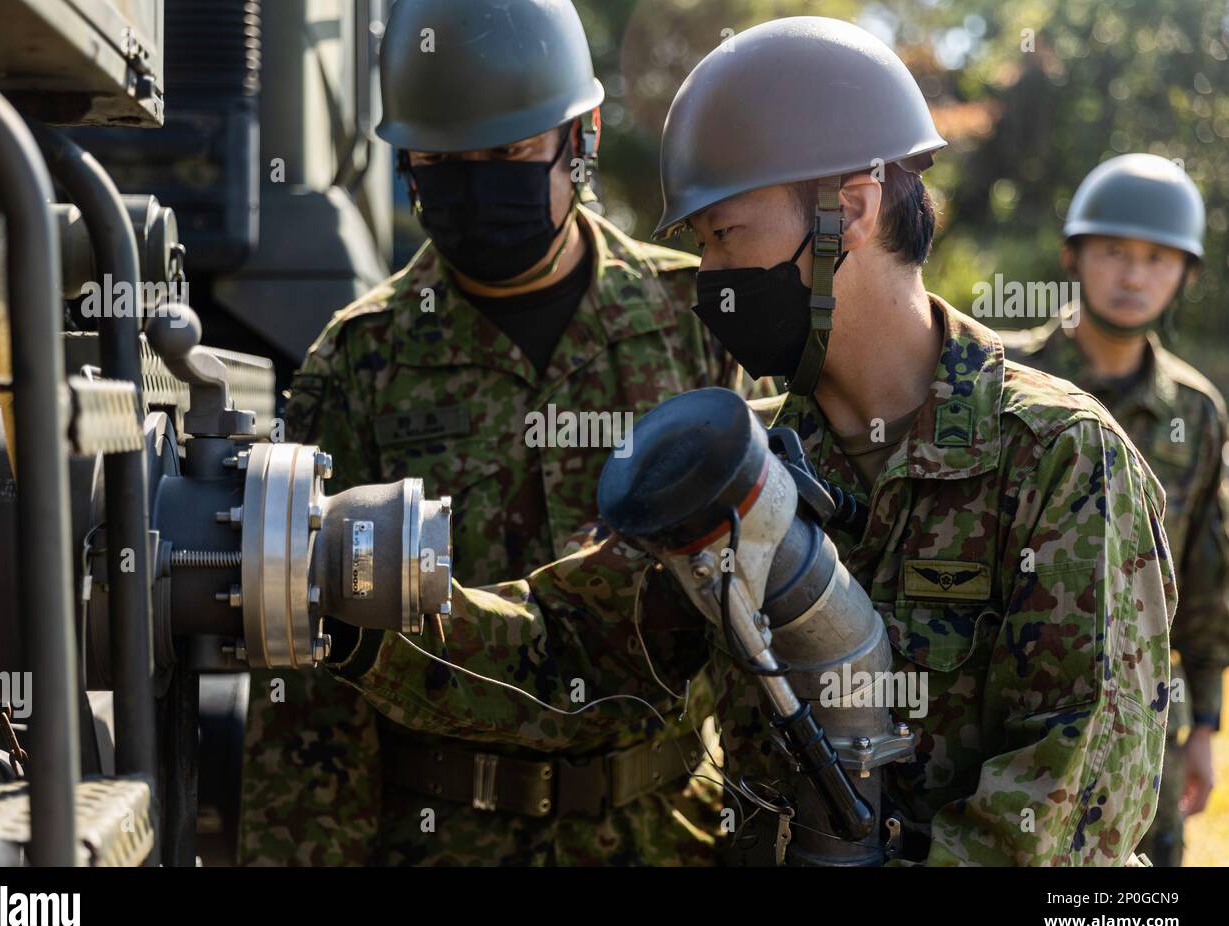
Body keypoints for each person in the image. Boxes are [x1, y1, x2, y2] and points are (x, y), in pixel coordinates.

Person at [345, 16, 1176, 865]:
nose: (707, 280)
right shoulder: (741, 472)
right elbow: (571, 654)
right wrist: (350, 599)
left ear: (848, 210)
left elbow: (1067, 812)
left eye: (723, 236)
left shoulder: (1060, 464)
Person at [237, 0, 765, 866]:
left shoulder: (696, 318)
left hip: (671, 831)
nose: (479, 182)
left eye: (512, 153)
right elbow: (310, 684)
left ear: (582, 136)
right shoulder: (358, 363)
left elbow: (762, 591)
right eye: (446, 161)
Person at [1001, 154, 1229, 866]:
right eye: (1113, 252)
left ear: (1186, 274)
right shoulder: (1004, 384)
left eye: (1158, 259)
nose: (1134, 276)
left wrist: (1205, 727)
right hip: (1009, 715)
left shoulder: (1195, 412)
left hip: (1147, 730)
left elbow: (1204, 583)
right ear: (1073, 256)